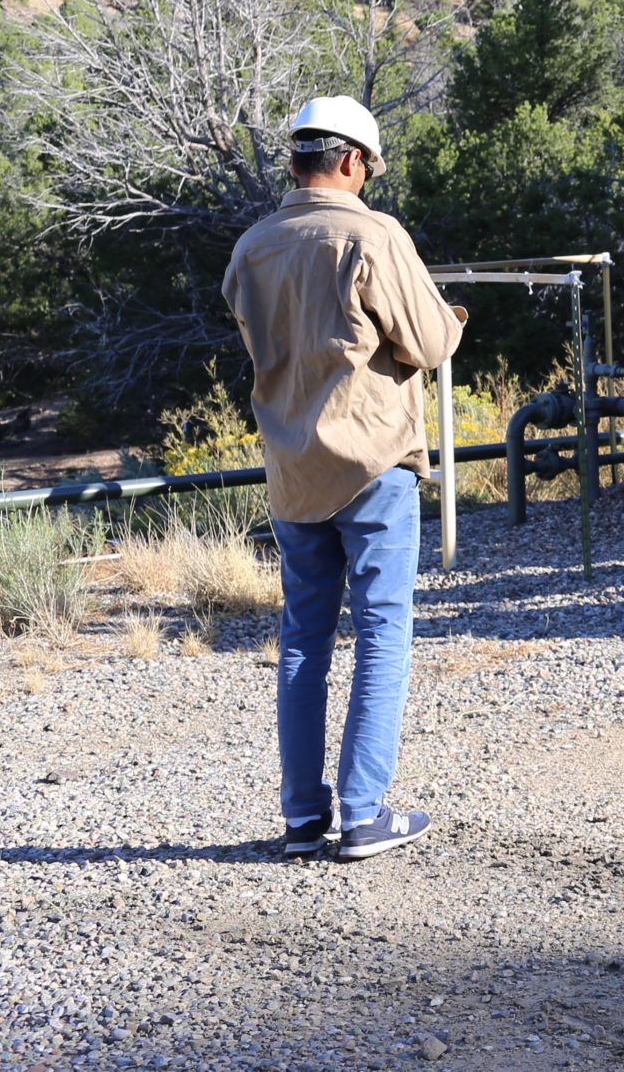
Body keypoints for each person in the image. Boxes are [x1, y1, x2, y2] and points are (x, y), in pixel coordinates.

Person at [222, 95, 463, 861]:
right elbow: (429, 341)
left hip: (292, 470)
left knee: (303, 641)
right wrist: (451, 316)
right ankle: (362, 814)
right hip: (372, 466)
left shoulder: (252, 246)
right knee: (383, 631)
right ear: (353, 161)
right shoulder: (373, 234)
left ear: (298, 158)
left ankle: (302, 820)